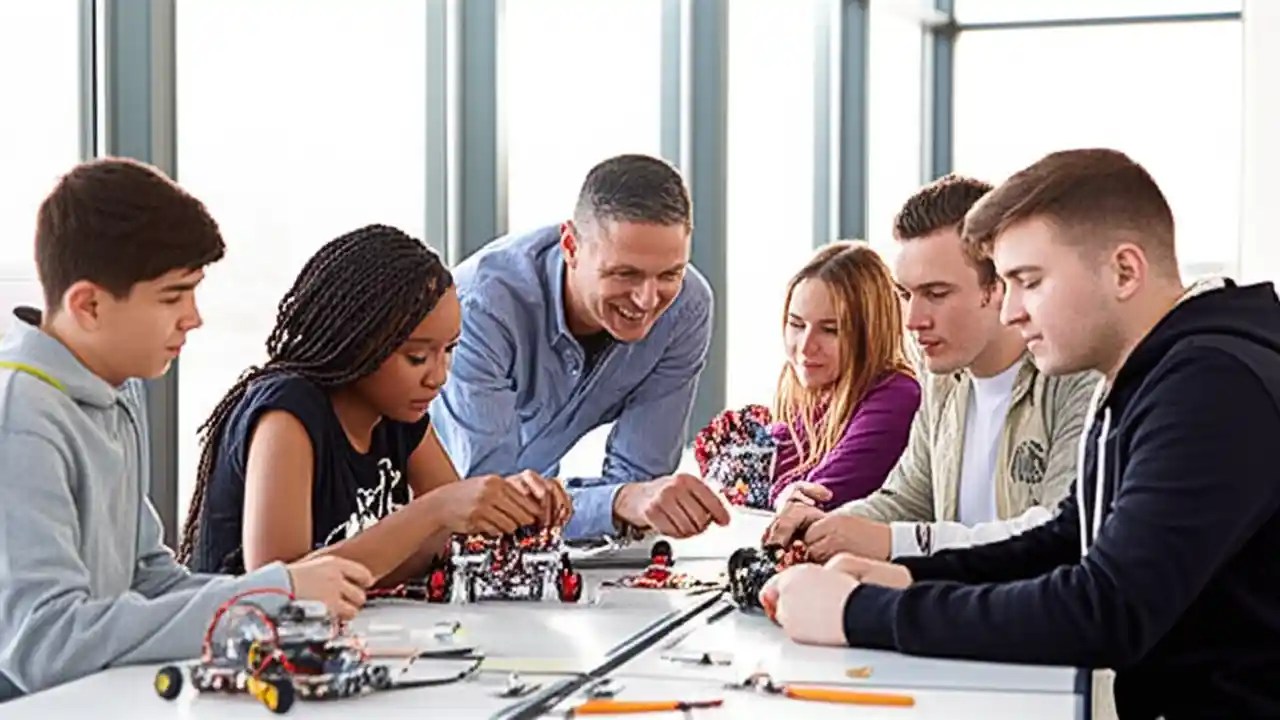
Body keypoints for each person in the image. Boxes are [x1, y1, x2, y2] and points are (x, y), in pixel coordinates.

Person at [763, 148, 1280, 719]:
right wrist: (905, 577)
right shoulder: (1153, 376)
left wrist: (859, 613)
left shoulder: (1210, 384)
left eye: (1028, 282)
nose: (1009, 312)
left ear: (1124, 271)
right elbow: (1067, 537)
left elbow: (1106, 610)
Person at [0, 158, 371, 701]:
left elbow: (148, 578)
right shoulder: (22, 418)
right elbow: (46, 645)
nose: (193, 318)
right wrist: (271, 593)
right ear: (89, 305)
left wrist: (280, 604)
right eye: (173, 297)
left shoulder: (114, 390)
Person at [179, 225, 570, 584]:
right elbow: (278, 583)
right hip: (245, 648)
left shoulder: (400, 413)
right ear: (359, 342)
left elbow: (455, 534)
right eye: (417, 357)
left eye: (449, 351)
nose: (438, 376)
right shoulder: (288, 414)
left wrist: (512, 507)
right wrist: (433, 511)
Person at [766, 175, 1096, 561]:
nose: (912, 320)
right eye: (906, 295)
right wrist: (822, 529)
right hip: (953, 611)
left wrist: (895, 543)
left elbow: (1059, 535)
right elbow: (905, 499)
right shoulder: (941, 380)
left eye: (936, 294)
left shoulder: (1077, 379)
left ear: (998, 286)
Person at [431, 154, 730, 541]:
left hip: (537, 539)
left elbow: (641, 482)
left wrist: (631, 500)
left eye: (670, 274)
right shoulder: (480, 306)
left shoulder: (687, 307)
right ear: (571, 245)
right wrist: (617, 502)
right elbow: (489, 501)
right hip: (417, 528)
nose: (646, 299)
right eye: (625, 274)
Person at [764, 241, 920, 509]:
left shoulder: (897, 395)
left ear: (870, 333)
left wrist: (779, 495)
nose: (805, 346)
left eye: (831, 330)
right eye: (797, 324)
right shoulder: (807, 393)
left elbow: (817, 500)